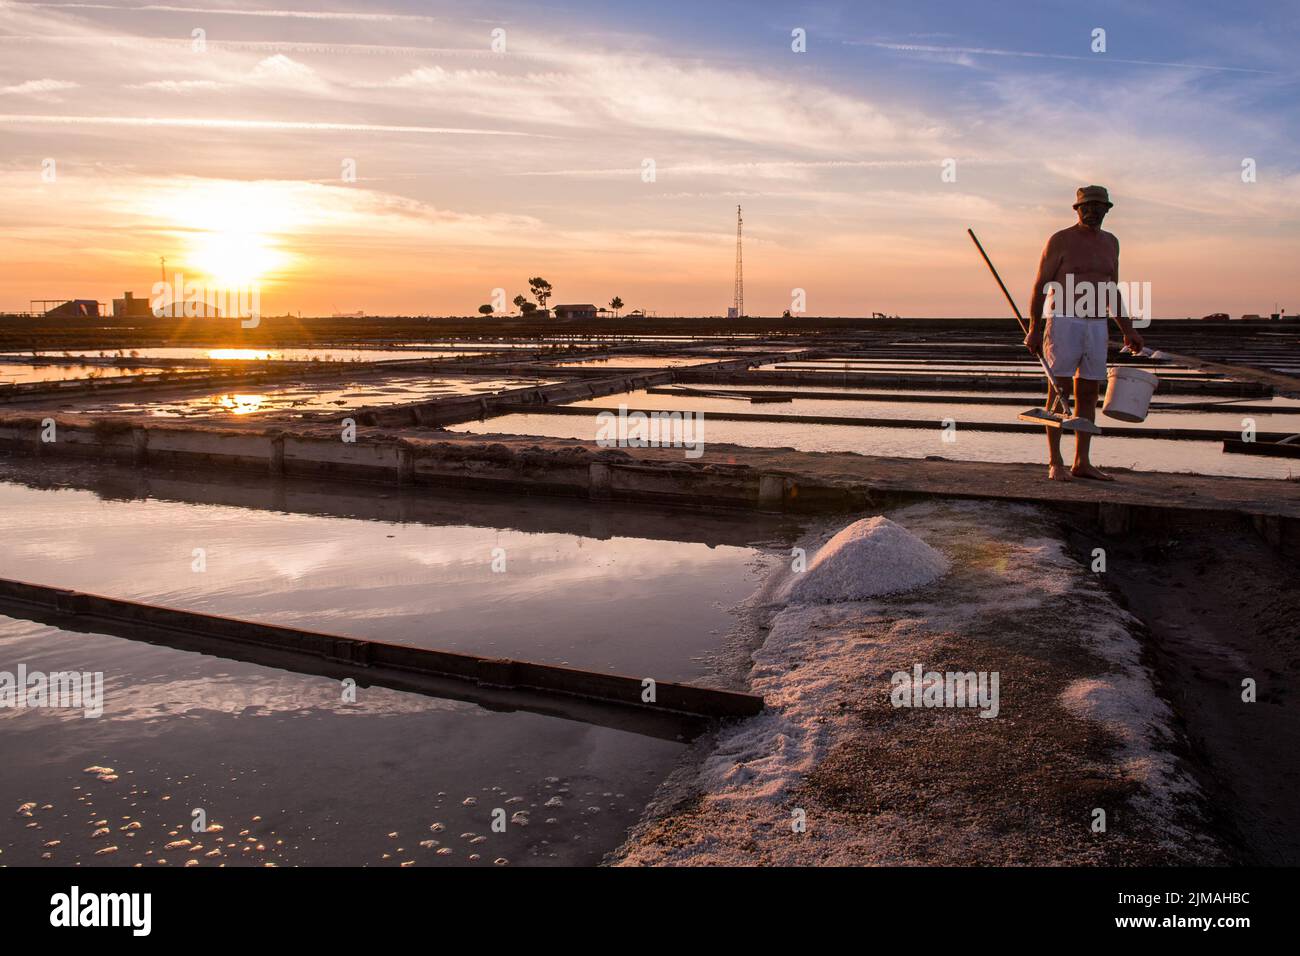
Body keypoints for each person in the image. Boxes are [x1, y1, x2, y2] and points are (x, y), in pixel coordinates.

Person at [1024, 185, 1144, 482]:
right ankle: (1056, 462)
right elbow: (1040, 286)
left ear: (1107, 209)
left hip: (1096, 324)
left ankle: (1083, 462)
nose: (1091, 211)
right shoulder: (1060, 240)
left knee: (1089, 392)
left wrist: (1128, 329)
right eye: (1086, 206)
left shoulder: (1111, 243)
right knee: (1059, 390)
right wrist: (1034, 329)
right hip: (1064, 321)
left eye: (1097, 206)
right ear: (1077, 210)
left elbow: (1111, 290)